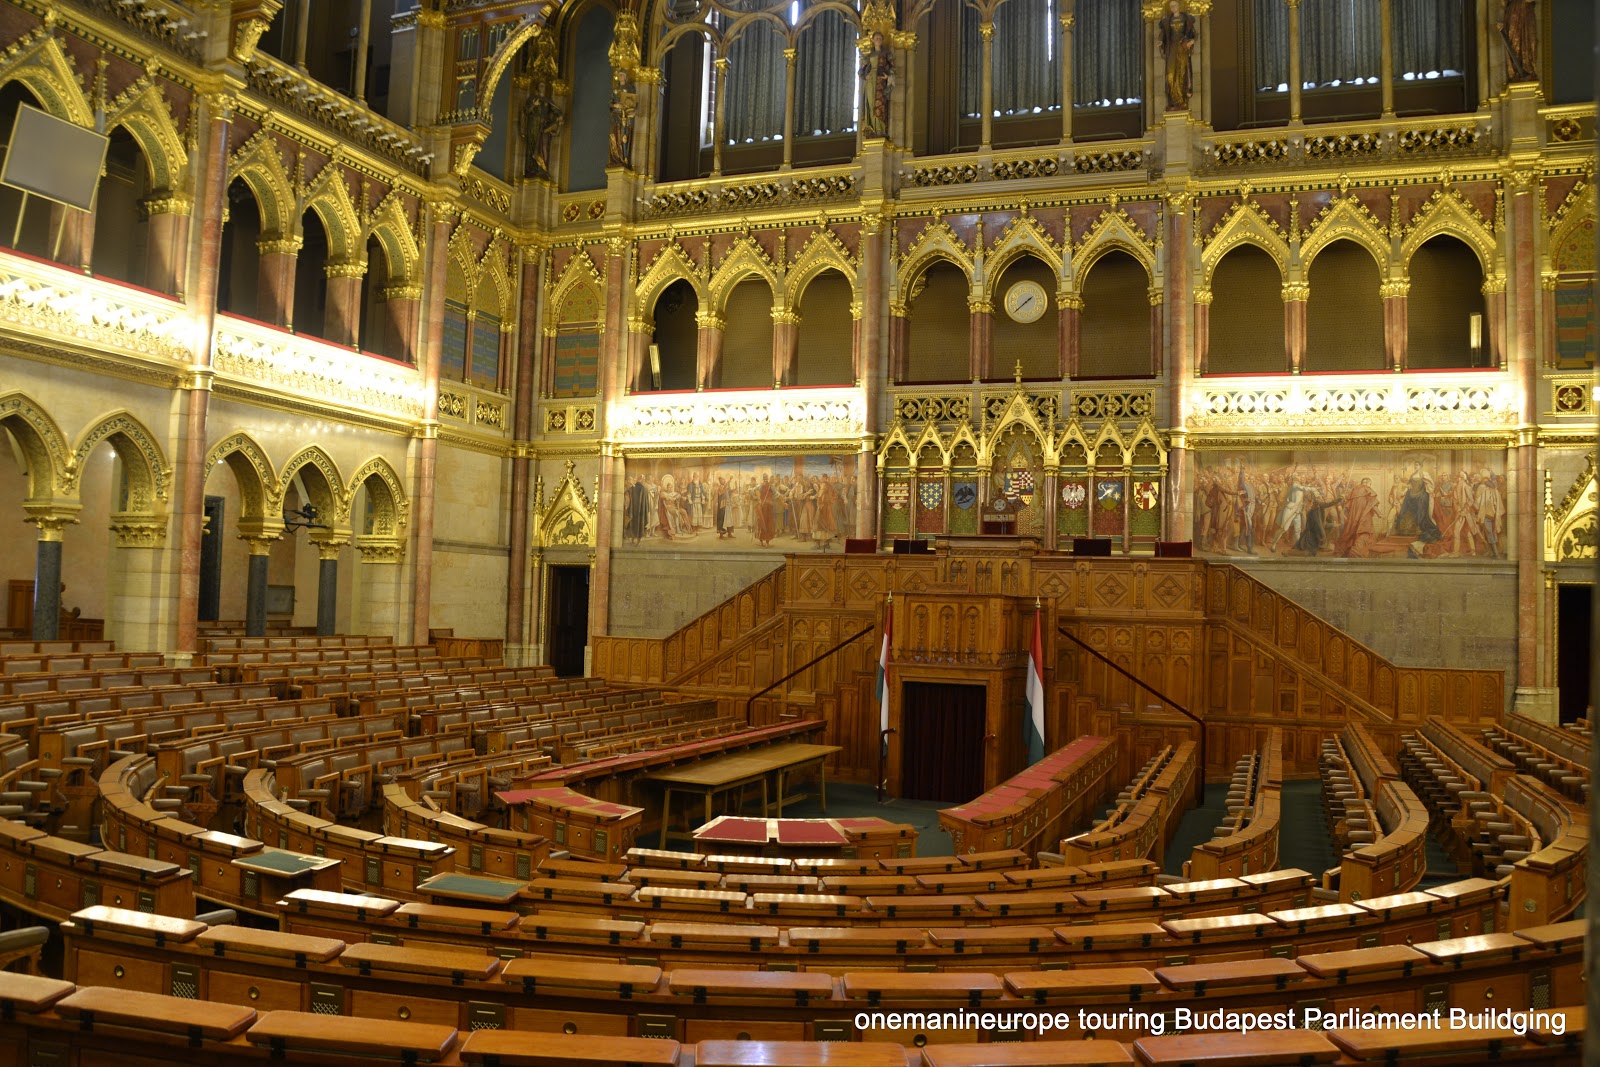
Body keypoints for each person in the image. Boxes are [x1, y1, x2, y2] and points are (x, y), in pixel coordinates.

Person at [1158, 0, 1198, 111]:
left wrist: (1191, 42)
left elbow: (1194, 34)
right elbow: (1163, 34)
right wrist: (1161, 42)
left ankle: (1181, 101)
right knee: (1170, 74)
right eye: (1171, 6)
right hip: (1172, 48)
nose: (1173, 7)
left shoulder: (1186, 19)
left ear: (1179, 6)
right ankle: (1173, 100)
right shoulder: (1167, 21)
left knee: (1182, 73)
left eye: (1175, 5)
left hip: (1182, 48)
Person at [522, 78, 563, 181]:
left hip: (543, 125)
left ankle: (541, 167)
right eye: (540, 86)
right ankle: (530, 168)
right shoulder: (532, 99)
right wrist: (533, 105)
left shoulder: (548, 101)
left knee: (542, 145)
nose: (542, 88)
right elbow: (526, 111)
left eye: (544, 86)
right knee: (532, 144)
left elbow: (556, 110)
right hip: (533, 124)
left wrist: (559, 117)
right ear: (537, 88)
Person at [859, 31, 893, 138]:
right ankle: (872, 128)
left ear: (882, 41)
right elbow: (861, 71)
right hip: (870, 82)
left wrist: (888, 77)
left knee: (879, 104)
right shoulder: (868, 56)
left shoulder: (886, 54)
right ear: (872, 40)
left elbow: (893, 68)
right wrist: (865, 76)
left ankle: (880, 129)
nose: (878, 39)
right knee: (871, 104)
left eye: (880, 38)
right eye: (876, 38)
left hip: (880, 81)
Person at [1500, 0, 1536, 83]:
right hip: (1514, 13)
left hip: (1528, 13)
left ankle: (1529, 69)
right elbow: (1502, 2)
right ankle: (1516, 72)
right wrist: (1500, 17)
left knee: (1531, 43)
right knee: (1514, 45)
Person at [608, 69, 637, 167]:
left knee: (624, 136)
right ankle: (616, 158)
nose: (621, 77)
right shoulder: (615, 90)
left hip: (625, 116)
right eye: (619, 75)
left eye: (622, 75)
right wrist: (615, 105)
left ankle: (624, 158)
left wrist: (629, 108)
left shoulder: (629, 88)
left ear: (625, 77)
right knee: (614, 135)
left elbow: (633, 101)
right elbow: (610, 103)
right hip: (616, 116)